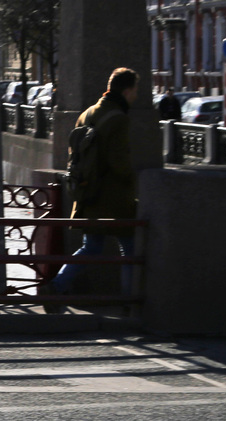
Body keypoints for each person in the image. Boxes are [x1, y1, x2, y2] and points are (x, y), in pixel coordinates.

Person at [46, 67, 139, 313]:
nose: (135, 97)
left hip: (87, 194)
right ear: (128, 90)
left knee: (92, 247)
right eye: (135, 91)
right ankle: (128, 302)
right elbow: (119, 161)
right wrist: (135, 182)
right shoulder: (119, 118)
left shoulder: (87, 114)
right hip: (114, 197)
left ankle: (57, 286)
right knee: (129, 249)